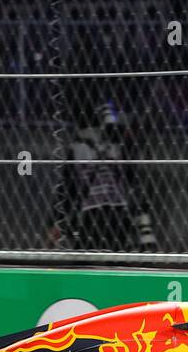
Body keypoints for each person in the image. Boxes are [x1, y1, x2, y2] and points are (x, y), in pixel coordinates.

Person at [50, 100, 157, 251]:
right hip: (118, 208)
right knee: (115, 253)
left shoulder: (77, 147)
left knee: (89, 254)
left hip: (91, 209)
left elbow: (68, 187)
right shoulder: (117, 146)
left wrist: (56, 220)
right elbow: (131, 178)